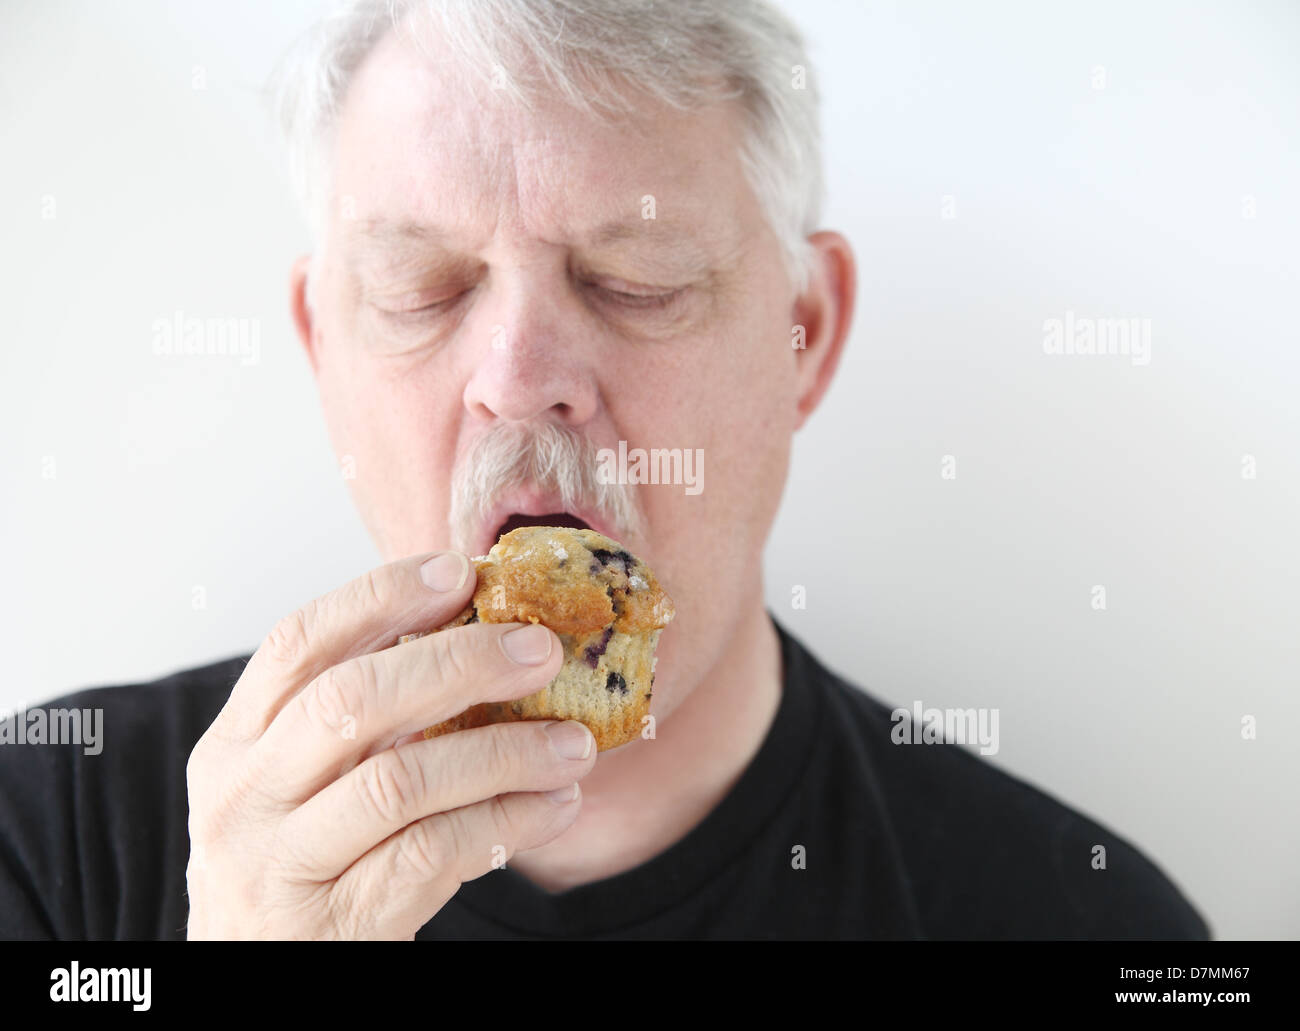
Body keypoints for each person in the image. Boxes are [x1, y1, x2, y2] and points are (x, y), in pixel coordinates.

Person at [0, 0, 1208, 940]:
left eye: (636, 281)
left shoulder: (1082, 919)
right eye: (426, 291)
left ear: (806, 335)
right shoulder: (47, 842)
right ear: (324, 350)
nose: (520, 377)